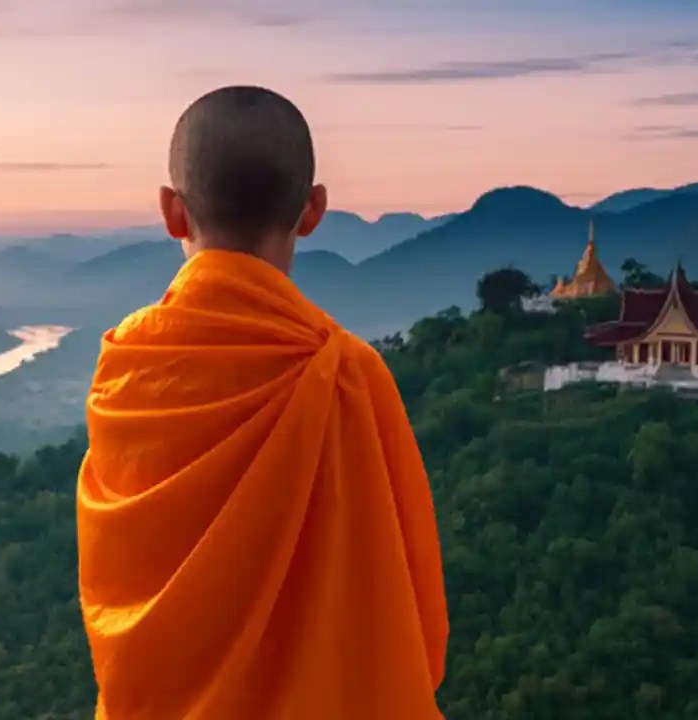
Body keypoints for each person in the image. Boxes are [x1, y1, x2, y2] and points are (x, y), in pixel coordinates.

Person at [76, 86, 449, 718]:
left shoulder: (130, 367)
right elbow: (415, 619)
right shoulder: (348, 374)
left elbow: (117, 605)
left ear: (172, 211)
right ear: (313, 210)